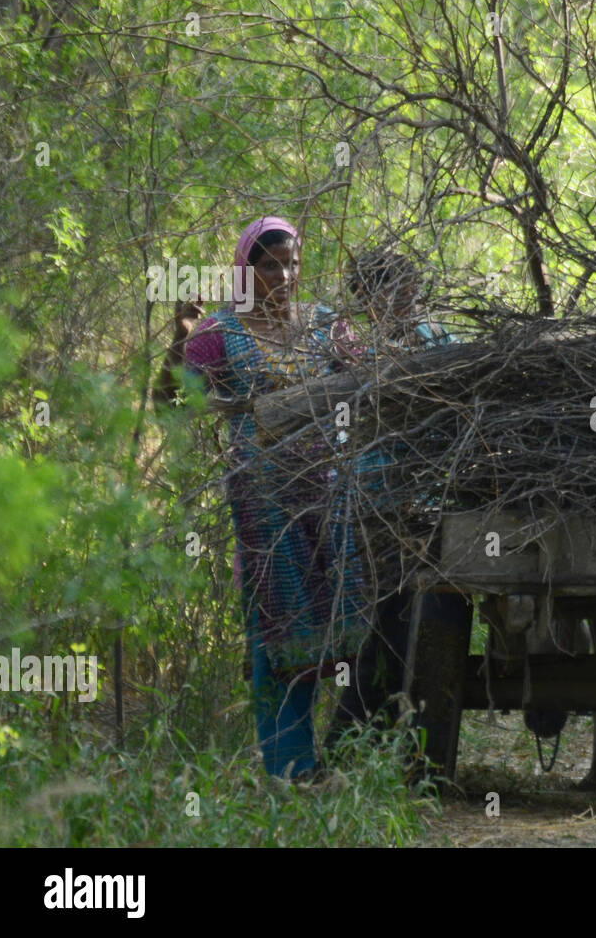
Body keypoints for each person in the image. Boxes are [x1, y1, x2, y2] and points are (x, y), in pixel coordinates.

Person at [174, 216, 368, 781]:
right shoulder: (220, 334)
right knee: (277, 627)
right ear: (246, 271)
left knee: (338, 623)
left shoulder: (326, 327)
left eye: (293, 262)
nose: (285, 275)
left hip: (329, 494)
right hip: (264, 502)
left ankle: (340, 753)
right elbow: (178, 399)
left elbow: (371, 382)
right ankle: (290, 766)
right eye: (270, 265)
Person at [323, 248, 472, 769]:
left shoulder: (440, 341)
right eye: (389, 291)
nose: (404, 300)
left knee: (436, 619)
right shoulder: (364, 357)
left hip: (438, 508)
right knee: (391, 620)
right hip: (380, 507)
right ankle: (354, 747)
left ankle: (418, 754)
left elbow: (465, 416)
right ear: (367, 301)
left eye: (409, 288)